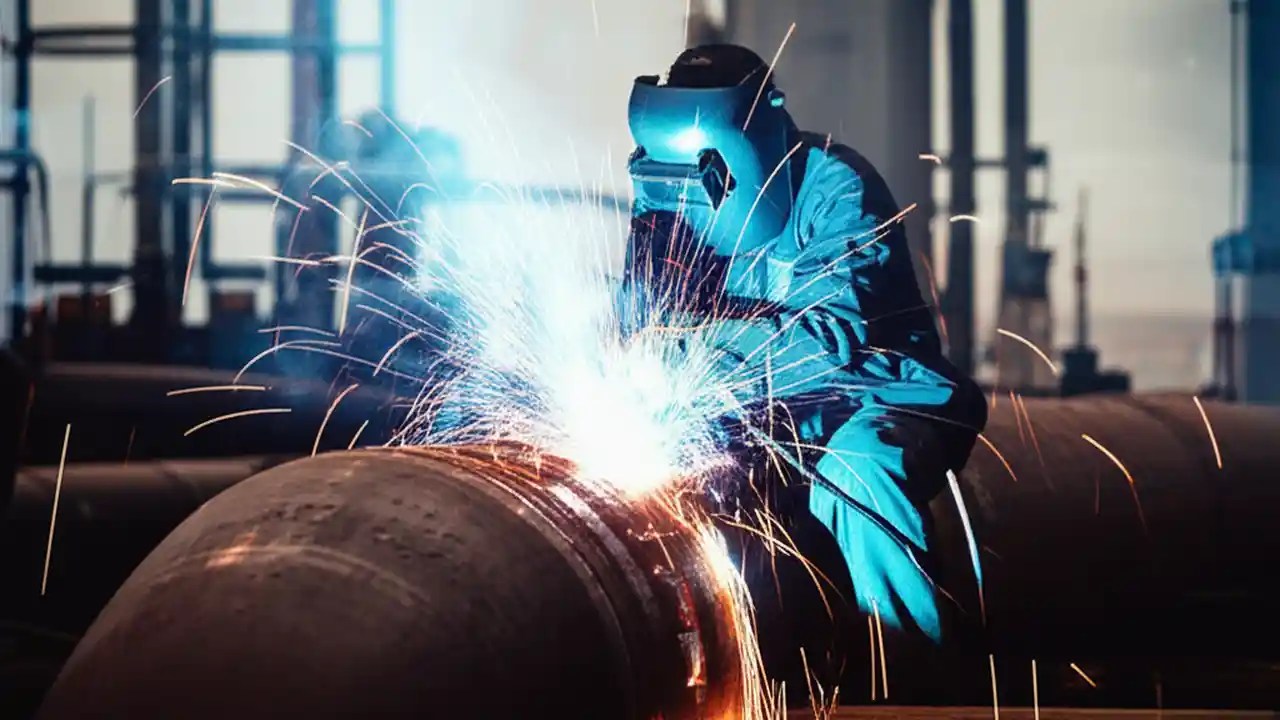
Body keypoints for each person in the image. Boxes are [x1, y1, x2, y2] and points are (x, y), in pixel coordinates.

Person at [622, 45, 988, 653]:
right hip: (757, 407)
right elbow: (640, 324)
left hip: (879, 393)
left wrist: (690, 359)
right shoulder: (664, 188)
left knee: (855, 473)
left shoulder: (835, 186)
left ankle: (916, 677)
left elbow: (829, 335)